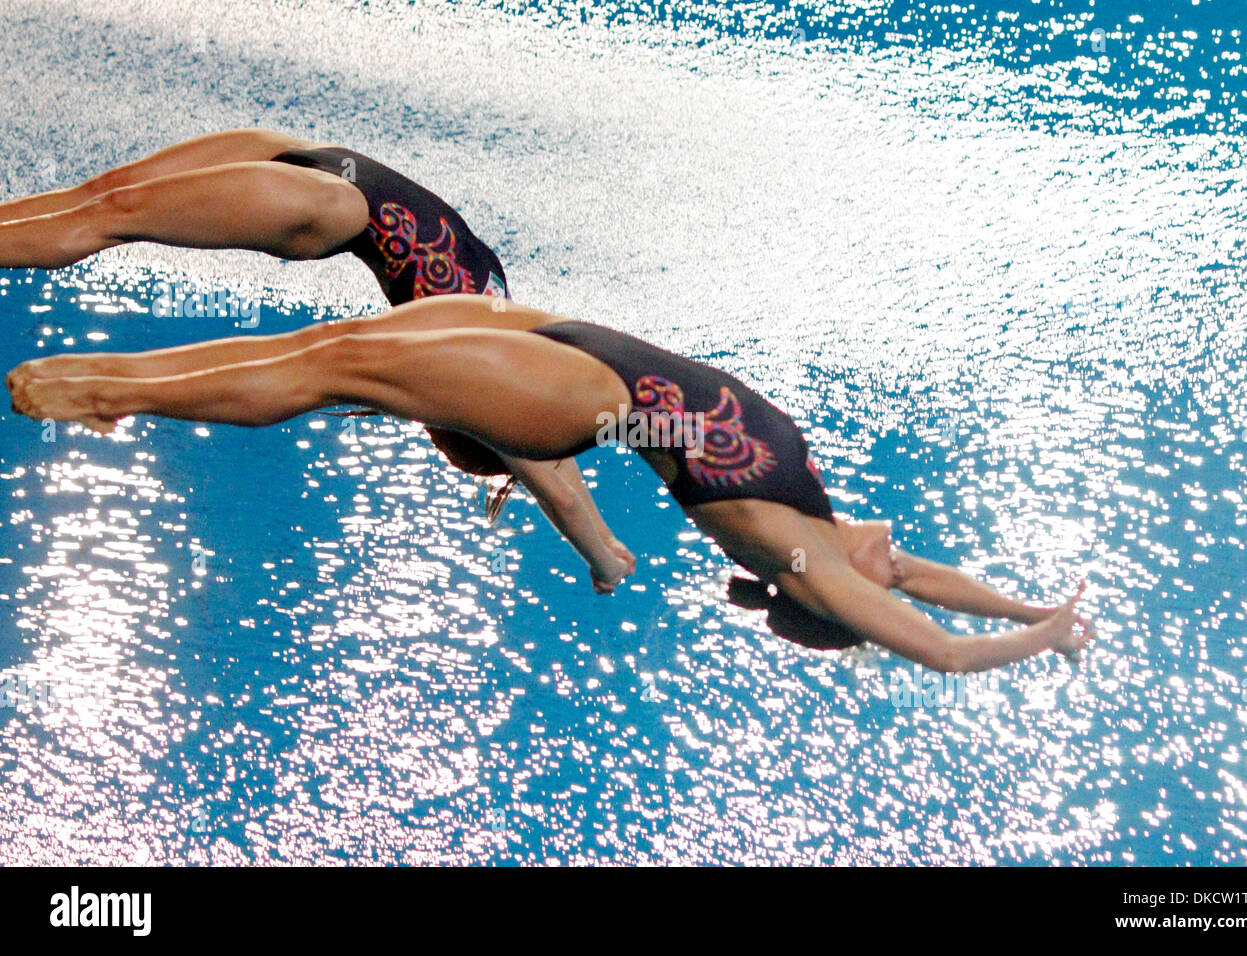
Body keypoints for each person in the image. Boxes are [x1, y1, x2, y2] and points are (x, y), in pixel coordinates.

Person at [6, 294, 1094, 671]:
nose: (899, 556)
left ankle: (114, 392)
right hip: (578, 341)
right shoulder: (826, 527)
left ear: (836, 598)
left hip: (575, 393)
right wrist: (1031, 602)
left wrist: (1037, 640)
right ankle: (122, 381)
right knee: (338, 344)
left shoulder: (799, 553)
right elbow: (940, 588)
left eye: (881, 583)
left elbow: (940, 645)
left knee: (334, 373)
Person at [0, 129, 631, 583]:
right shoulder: (510, 381)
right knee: (108, 199)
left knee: (109, 211)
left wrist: (603, 553)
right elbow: (562, 487)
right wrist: (605, 561)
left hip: (330, 197)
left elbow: (561, 489)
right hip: (315, 164)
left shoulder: (491, 358)